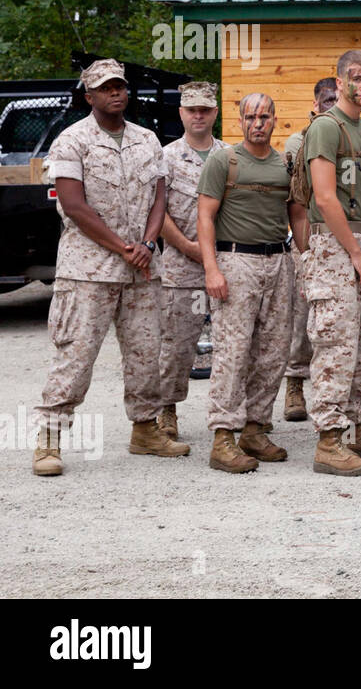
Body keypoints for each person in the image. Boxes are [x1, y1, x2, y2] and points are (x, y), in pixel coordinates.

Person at [32, 59, 186, 476]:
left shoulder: (148, 140)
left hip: (141, 269)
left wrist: (150, 244)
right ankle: (49, 440)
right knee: (75, 356)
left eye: (120, 86)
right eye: (105, 88)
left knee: (145, 354)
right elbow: (75, 206)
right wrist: (124, 247)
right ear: (89, 97)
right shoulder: (71, 141)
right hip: (88, 271)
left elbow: (160, 197)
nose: (116, 92)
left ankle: (145, 430)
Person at [298, 49, 361, 476]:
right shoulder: (326, 127)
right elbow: (324, 196)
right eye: (356, 78)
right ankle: (328, 441)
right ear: (339, 82)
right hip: (336, 247)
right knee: (336, 344)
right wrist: (356, 253)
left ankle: (356, 430)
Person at [196, 93, 295, 472]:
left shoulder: (284, 163)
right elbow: (205, 216)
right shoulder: (224, 160)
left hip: (278, 262)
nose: (258, 123)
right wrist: (211, 269)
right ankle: (223, 437)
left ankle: (255, 429)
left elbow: (296, 215)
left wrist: (304, 261)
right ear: (239, 121)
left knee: (273, 350)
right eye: (251, 116)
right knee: (233, 351)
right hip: (236, 261)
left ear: (274, 120)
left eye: (265, 116)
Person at [157, 82, 229, 440]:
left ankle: (234, 413)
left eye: (205, 109)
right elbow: (156, 211)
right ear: (181, 113)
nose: (198, 115)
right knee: (176, 344)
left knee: (233, 342)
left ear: (215, 112)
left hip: (227, 263)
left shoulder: (230, 155)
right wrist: (187, 247)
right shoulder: (166, 157)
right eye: (191, 110)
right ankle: (166, 410)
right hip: (181, 265)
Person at [281, 76, 337, 422]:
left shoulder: (354, 135)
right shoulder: (298, 142)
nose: (332, 104)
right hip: (309, 240)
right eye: (326, 99)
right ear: (315, 106)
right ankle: (295, 384)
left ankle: (331, 391)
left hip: (345, 240)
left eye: (337, 98)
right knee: (303, 317)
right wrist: (304, 252)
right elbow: (296, 199)